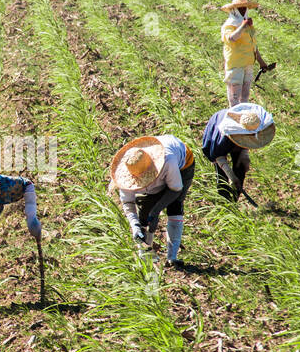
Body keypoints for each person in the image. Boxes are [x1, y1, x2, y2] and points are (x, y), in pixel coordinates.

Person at [110, 134, 195, 267]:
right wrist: (134, 225)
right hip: (162, 172)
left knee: (175, 205)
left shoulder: (168, 160)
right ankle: (145, 254)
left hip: (182, 167)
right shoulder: (128, 171)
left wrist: (155, 211)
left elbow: (176, 189)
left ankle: (172, 257)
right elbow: (128, 202)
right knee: (144, 210)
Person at [201, 103, 276, 203]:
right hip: (220, 139)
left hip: (237, 139)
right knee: (222, 174)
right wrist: (231, 176)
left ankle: (234, 198)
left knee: (241, 167)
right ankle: (224, 201)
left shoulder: (252, 124)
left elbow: (248, 142)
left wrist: (244, 154)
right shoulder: (223, 136)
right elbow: (219, 157)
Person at [220, 0, 272, 107]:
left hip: (248, 63)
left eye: (244, 8)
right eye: (240, 9)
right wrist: (243, 26)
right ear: (234, 10)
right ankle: (234, 117)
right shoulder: (229, 25)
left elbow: (253, 46)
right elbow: (231, 38)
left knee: (245, 97)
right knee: (235, 98)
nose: (243, 10)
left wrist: (261, 62)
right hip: (236, 64)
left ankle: (244, 119)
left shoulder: (247, 25)